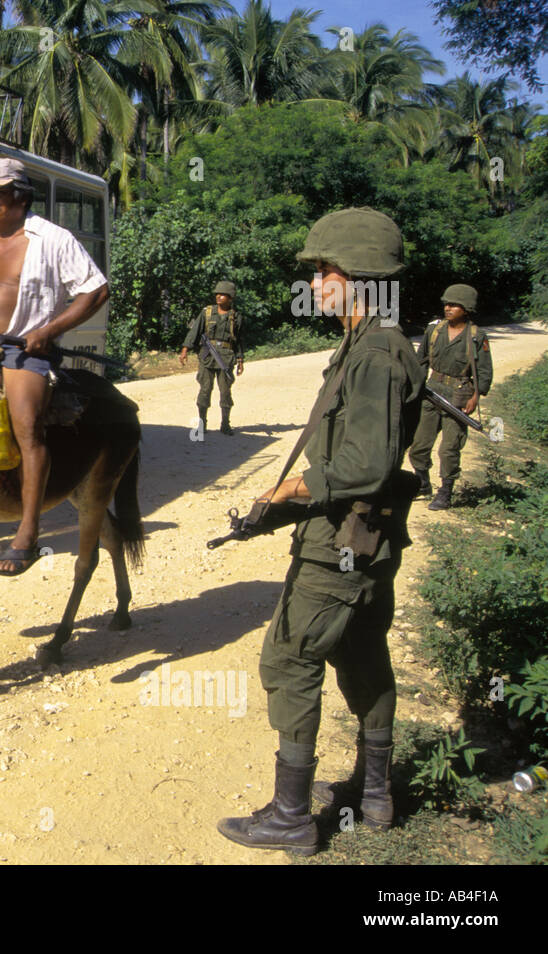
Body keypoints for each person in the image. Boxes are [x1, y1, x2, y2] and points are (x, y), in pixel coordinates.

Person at [217, 208, 425, 855]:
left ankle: (290, 817)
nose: (317, 281)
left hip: (343, 543)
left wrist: (288, 490)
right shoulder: (369, 343)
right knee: (362, 658)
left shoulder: (375, 353)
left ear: (358, 275)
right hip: (365, 541)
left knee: (289, 657)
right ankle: (375, 795)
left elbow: (363, 466)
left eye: (325, 270)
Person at [0, 158, 109, 576]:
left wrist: (49, 331)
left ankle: (28, 532)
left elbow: (95, 290)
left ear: (20, 195)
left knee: (25, 422)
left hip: (23, 350)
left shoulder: (53, 238)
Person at [407, 283, 492, 511]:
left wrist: (476, 395)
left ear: (466, 309)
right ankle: (423, 482)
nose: (448, 308)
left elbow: (484, 371)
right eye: (446, 304)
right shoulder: (433, 331)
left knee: (449, 448)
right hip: (432, 389)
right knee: (418, 446)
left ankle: (445, 491)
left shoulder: (476, 336)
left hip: (459, 394)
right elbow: (420, 361)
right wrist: (415, 389)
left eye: (454, 305)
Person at [178, 281, 244, 435]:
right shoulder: (207, 313)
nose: (218, 297)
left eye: (222, 295)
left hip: (226, 358)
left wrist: (240, 360)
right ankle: (202, 423)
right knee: (205, 389)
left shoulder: (236, 317)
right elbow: (194, 332)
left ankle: (225, 424)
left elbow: (240, 340)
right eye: (217, 294)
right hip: (207, 356)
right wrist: (185, 349)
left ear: (230, 297)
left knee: (225, 391)